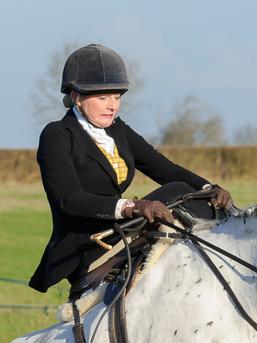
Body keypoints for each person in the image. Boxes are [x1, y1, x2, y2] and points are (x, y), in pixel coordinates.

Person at [28, 43, 233, 296]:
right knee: (177, 191)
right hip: (88, 246)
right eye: (103, 97)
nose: (112, 106)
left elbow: (164, 168)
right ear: (76, 97)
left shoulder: (118, 129)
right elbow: (68, 198)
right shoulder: (56, 135)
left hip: (123, 231)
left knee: (182, 191)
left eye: (117, 97)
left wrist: (208, 189)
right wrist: (130, 207)